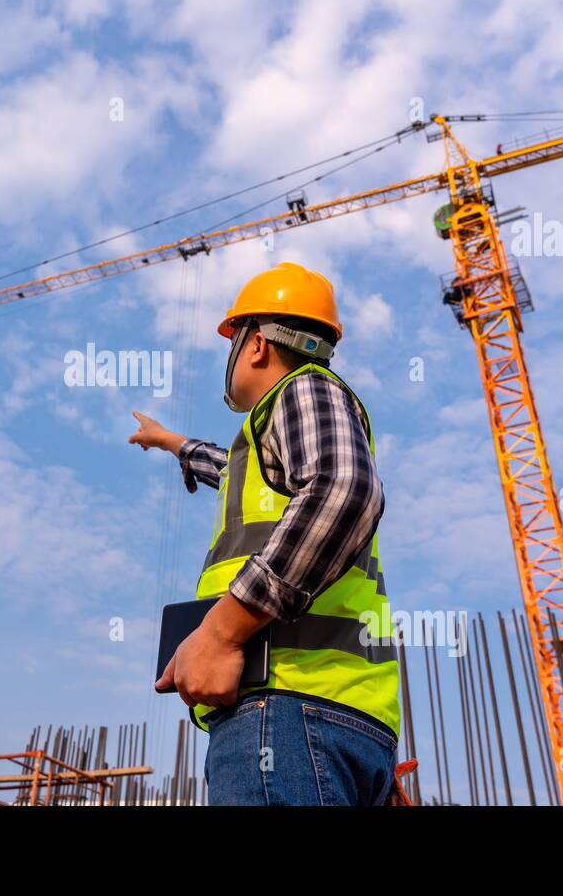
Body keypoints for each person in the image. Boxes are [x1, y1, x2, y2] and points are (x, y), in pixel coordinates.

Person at [129, 261, 400, 805]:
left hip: (284, 705)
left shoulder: (305, 390)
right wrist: (172, 443)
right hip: (328, 713)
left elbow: (343, 489)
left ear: (255, 345)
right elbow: (231, 471)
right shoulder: (275, 427)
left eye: (232, 342)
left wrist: (221, 632)